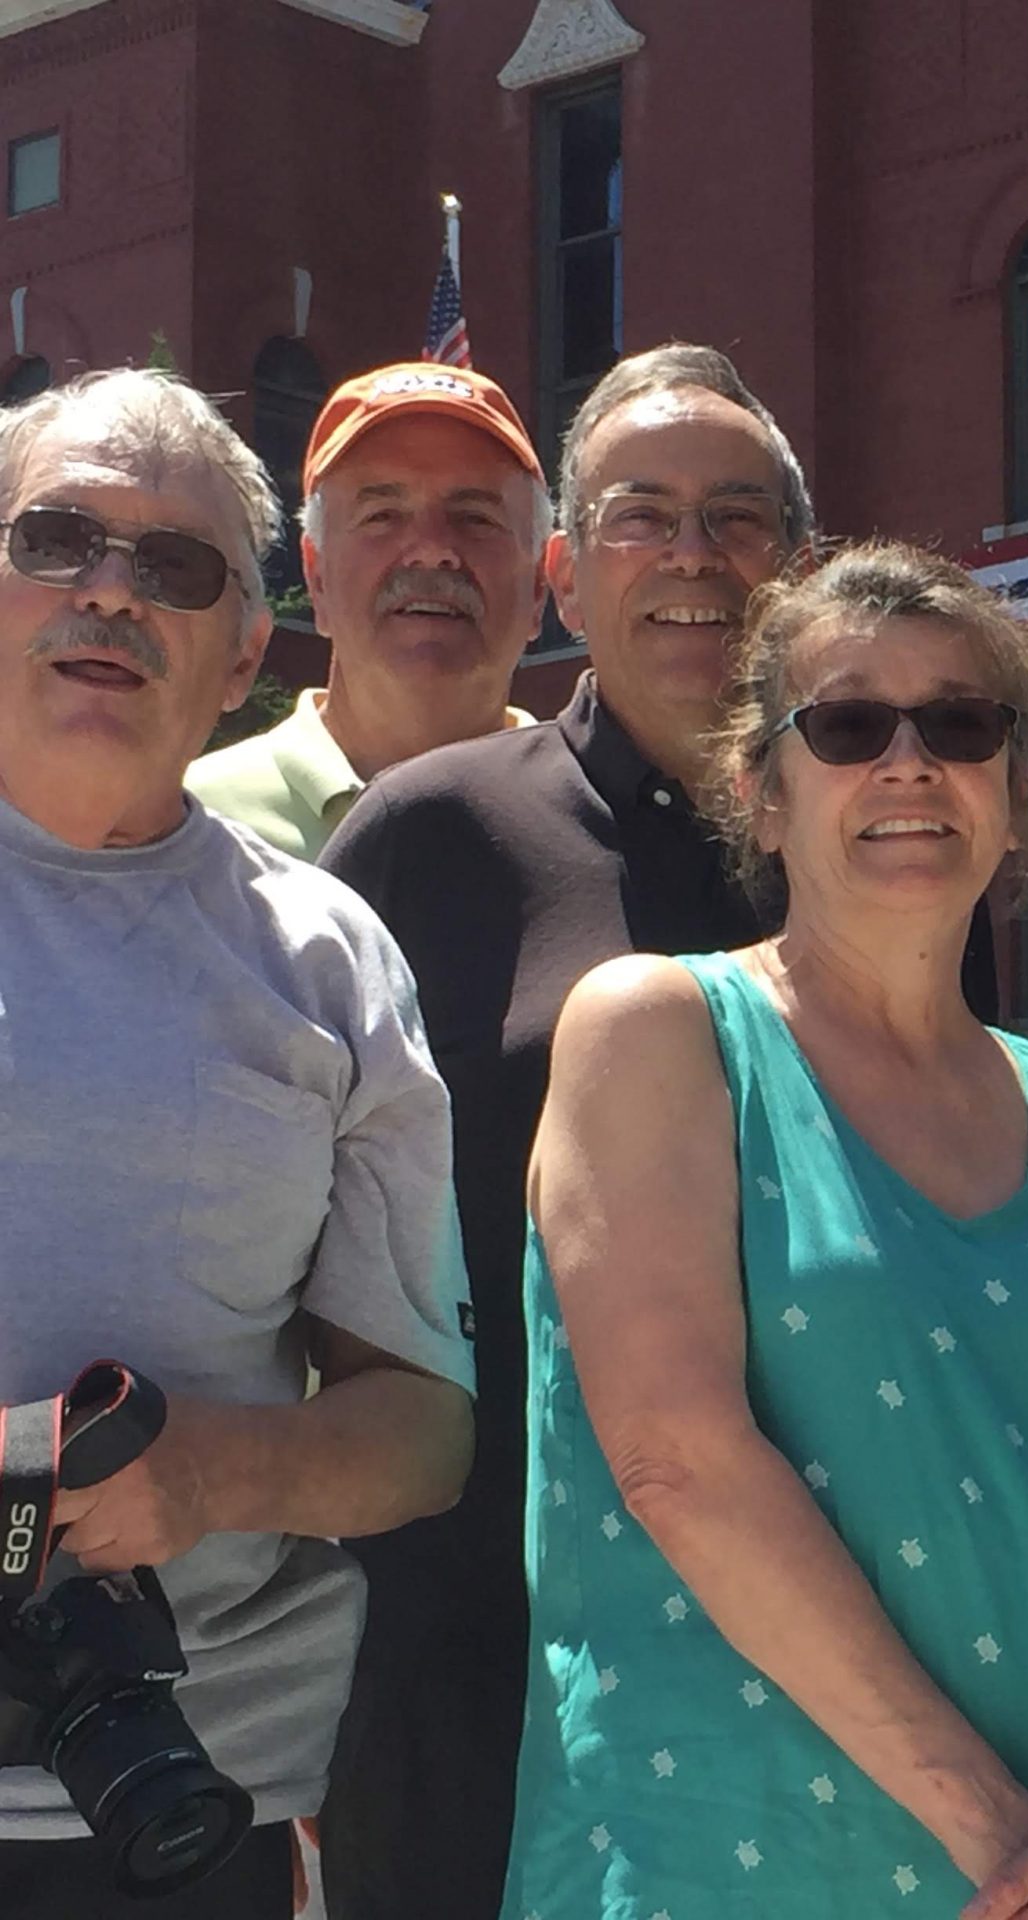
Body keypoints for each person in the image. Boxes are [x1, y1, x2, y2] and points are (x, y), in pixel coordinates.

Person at [503, 538, 1028, 1916]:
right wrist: (1013, 1847)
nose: (908, 763)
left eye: (961, 725)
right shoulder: (657, 1032)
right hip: (763, 1869)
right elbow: (674, 1460)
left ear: (1018, 796)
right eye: (846, 725)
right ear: (762, 797)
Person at [312, 344, 834, 1920]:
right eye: (641, 516)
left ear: (795, 568)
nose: (693, 558)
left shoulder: (878, 842)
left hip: (811, 1614)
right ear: (562, 574)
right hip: (470, 1632)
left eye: (738, 518)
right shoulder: (434, 831)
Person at [0, 370, 473, 1917]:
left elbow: (424, 1430)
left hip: (179, 1805)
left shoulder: (328, 958)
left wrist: (209, 1473)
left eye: (178, 567)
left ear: (246, 659)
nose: (112, 593)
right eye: (57, 538)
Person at [186, 363, 551, 858]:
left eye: (475, 517)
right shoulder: (192, 824)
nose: (431, 548)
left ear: (538, 586)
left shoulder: (605, 830)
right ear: (316, 576)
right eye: (382, 516)